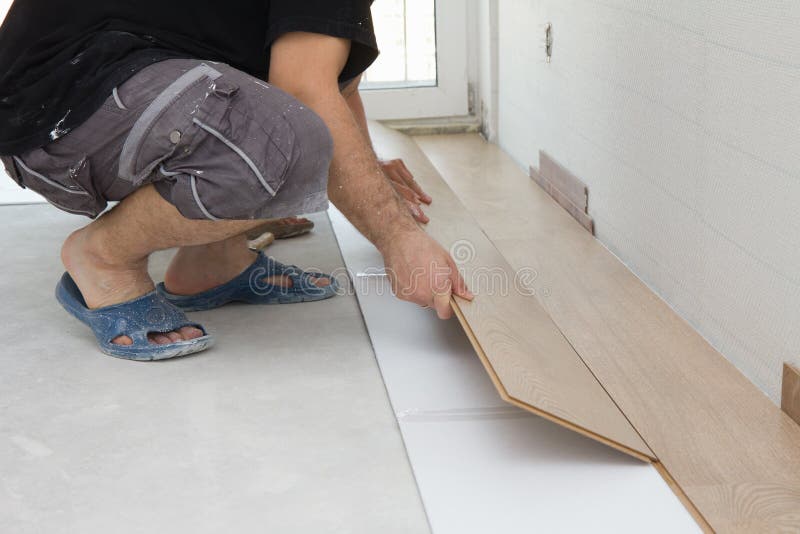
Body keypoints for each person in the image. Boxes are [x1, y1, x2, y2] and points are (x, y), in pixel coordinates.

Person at [0, 1, 472, 360]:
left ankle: (211, 266)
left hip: (91, 77)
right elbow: (305, 90)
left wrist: (370, 175)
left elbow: (332, 80)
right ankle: (103, 257)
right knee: (291, 144)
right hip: (58, 104)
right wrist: (398, 236)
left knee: (275, 120)